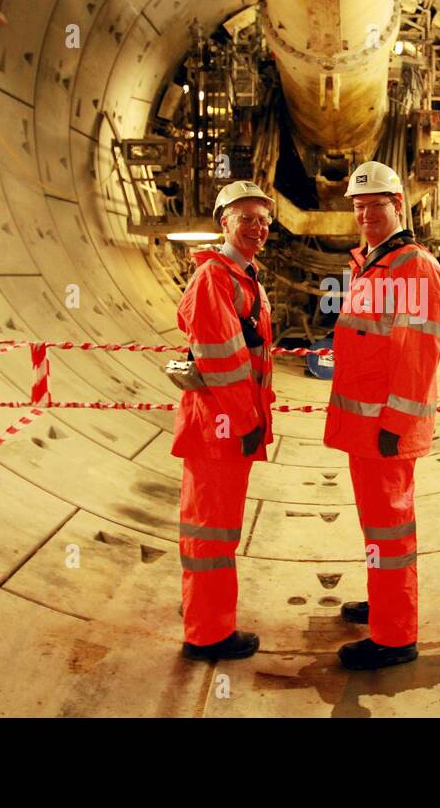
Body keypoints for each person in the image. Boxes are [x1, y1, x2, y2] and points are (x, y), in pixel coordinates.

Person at [323, 161, 440, 670]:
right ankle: (385, 603)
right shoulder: (374, 262)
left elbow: (422, 350)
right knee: (378, 528)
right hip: (366, 426)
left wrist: (395, 426)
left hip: (385, 429)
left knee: (391, 531)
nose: (365, 216)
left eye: (375, 206)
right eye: (358, 208)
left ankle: (395, 637)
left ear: (398, 204)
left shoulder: (412, 265)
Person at [170, 180, 275, 661]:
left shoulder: (244, 275)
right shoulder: (216, 278)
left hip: (230, 425)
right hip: (220, 427)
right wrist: (247, 419)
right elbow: (222, 360)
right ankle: (207, 635)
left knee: (218, 530)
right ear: (224, 223)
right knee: (210, 532)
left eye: (264, 220)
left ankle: (207, 620)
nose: (258, 228)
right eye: (247, 218)